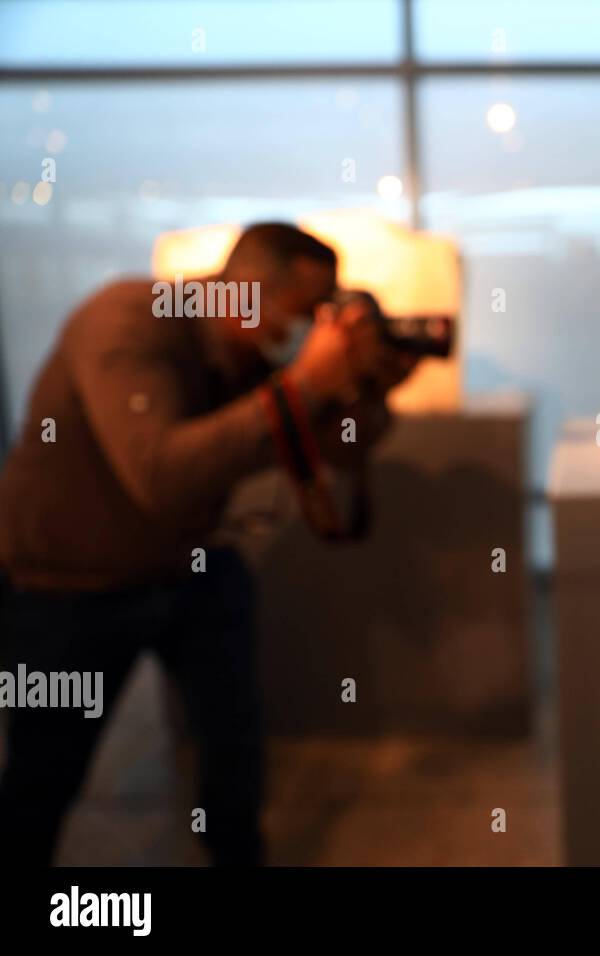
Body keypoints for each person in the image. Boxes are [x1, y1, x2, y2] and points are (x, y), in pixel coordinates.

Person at [0, 222, 417, 865]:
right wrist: (306, 385)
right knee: (43, 776)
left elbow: (342, 448)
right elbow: (159, 476)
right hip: (68, 581)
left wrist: (368, 386)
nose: (312, 330)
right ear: (246, 292)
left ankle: (236, 851)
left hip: (188, 561)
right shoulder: (129, 320)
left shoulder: (257, 353)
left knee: (234, 747)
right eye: (307, 312)